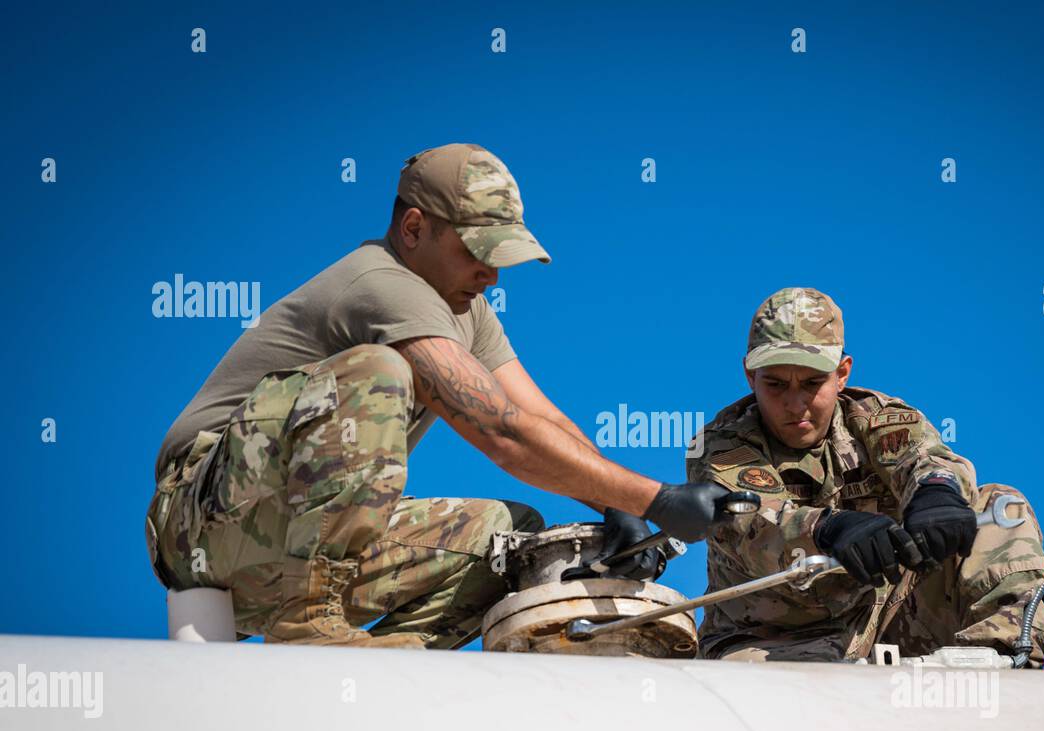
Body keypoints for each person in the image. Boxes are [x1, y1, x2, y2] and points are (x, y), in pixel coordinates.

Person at [146, 143, 728, 649]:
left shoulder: (465, 309)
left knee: (514, 542)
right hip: (202, 521)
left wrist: (615, 506)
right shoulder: (382, 285)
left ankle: (378, 668)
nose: (492, 275)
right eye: (477, 251)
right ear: (415, 228)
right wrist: (655, 498)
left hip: (293, 549)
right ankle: (308, 620)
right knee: (378, 371)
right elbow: (502, 432)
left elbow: (536, 414)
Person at [687, 287, 1044, 665]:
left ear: (842, 374)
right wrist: (827, 530)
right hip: (773, 642)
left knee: (999, 504)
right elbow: (750, 523)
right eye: (775, 384)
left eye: (812, 383)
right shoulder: (721, 446)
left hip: (893, 623)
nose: (795, 405)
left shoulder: (877, 420)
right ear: (750, 376)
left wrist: (936, 493)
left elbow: (927, 459)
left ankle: (1003, 659)